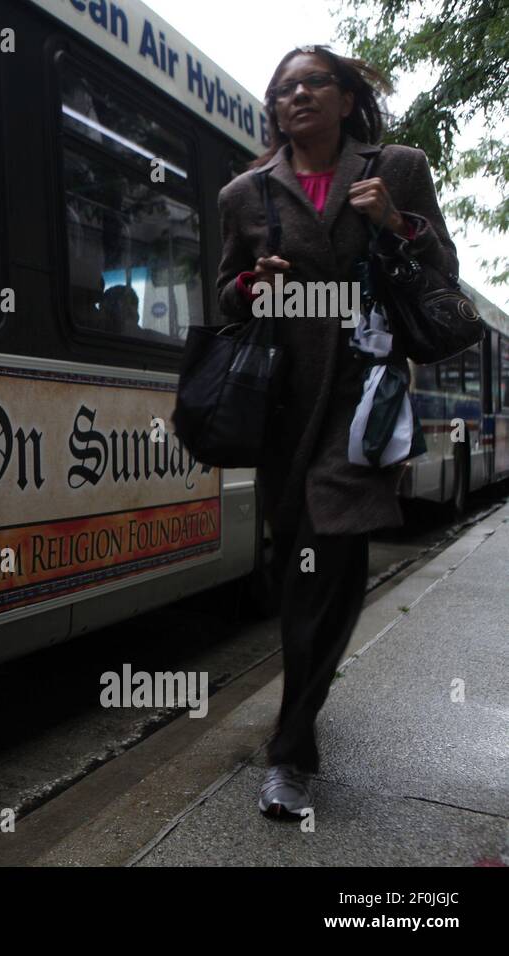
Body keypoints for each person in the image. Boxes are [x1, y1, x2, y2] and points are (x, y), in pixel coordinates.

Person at [215, 45, 459, 818]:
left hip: (361, 405)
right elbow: (224, 295)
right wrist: (256, 285)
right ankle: (302, 723)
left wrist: (396, 222)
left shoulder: (398, 166)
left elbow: (443, 273)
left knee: (329, 570)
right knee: (307, 574)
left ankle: (290, 754)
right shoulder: (245, 194)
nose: (297, 97)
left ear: (347, 98)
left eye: (313, 83)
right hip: (286, 409)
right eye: (283, 89)